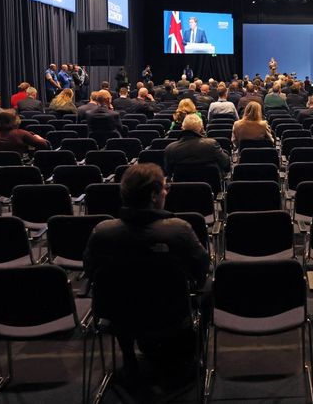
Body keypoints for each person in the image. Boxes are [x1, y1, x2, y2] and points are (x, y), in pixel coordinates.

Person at [83, 163, 210, 374]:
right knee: (210, 290)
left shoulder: (102, 232)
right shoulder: (179, 229)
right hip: (172, 314)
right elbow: (202, 268)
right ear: (153, 195)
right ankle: (191, 356)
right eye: (164, 188)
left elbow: (90, 270)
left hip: (117, 316)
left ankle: (129, 357)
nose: (166, 192)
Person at [163, 114, 230, 178]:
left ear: (182, 128)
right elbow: (226, 164)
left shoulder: (170, 149)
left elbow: (168, 172)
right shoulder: (211, 145)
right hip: (210, 188)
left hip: (180, 188)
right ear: (201, 128)